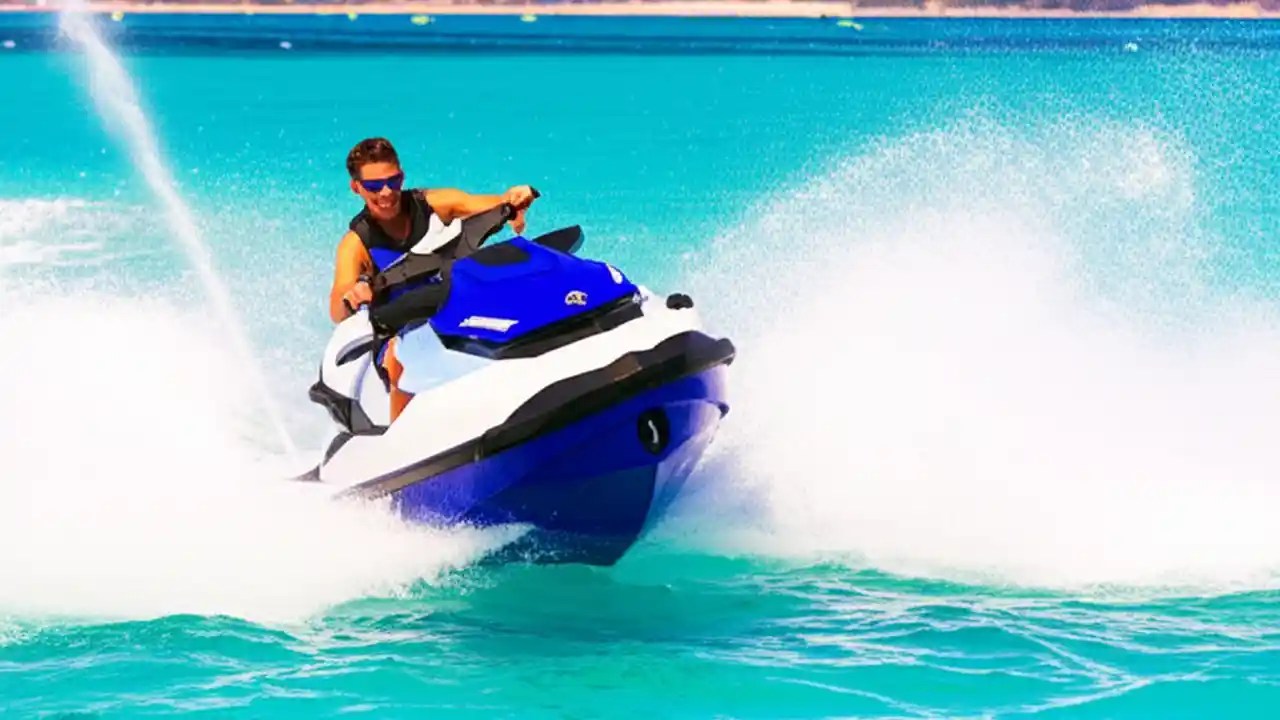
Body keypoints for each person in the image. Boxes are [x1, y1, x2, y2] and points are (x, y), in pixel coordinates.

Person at [329, 136, 537, 423]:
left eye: (394, 180)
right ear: (356, 188)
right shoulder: (356, 244)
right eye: (375, 186)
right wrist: (351, 295)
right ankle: (401, 442)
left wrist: (514, 197)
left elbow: (485, 202)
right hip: (399, 331)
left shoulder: (434, 204)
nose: (387, 192)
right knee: (401, 355)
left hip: (455, 310)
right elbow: (337, 307)